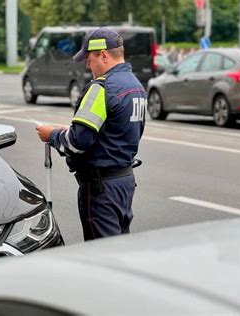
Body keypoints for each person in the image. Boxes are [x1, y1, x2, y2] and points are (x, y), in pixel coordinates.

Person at [36, 28, 146, 241]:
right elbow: (114, 132)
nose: (87, 65)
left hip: (101, 188)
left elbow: (78, 142)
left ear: (104, 55)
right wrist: (68, 130)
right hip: (124, 181)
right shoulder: (135, 86)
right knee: (119, 248)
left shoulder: (102, 88)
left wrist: (52, 135)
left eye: (89, 58)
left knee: (101, 256)